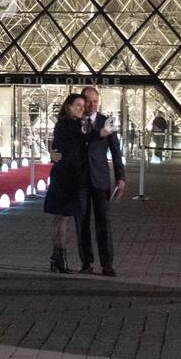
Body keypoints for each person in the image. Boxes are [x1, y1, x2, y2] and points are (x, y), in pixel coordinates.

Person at [77, 86, 125, 277]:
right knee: (82, 223)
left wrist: (121, 178)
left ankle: (107, 263)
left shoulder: (107, 122)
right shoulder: (75, 121)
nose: (92, 105)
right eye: (89, 101)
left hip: (100, 180)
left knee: (103, 223)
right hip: (80, 180)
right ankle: (86, 262)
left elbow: (116, 152)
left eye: (95, 101)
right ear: (83, 101)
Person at [46, 93, 88, 274]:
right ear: (68, 106)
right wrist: (100, 133)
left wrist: (53, 153)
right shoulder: (69, 124)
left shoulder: (65, 123)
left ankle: (57, 257)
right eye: (78, 105)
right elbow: (79, 142)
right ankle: (59, 258)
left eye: (83, 106)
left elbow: (57, 146)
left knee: (60, 218)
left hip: (63, 174)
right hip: (67, 176)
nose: (81, 108)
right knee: (62, 218)